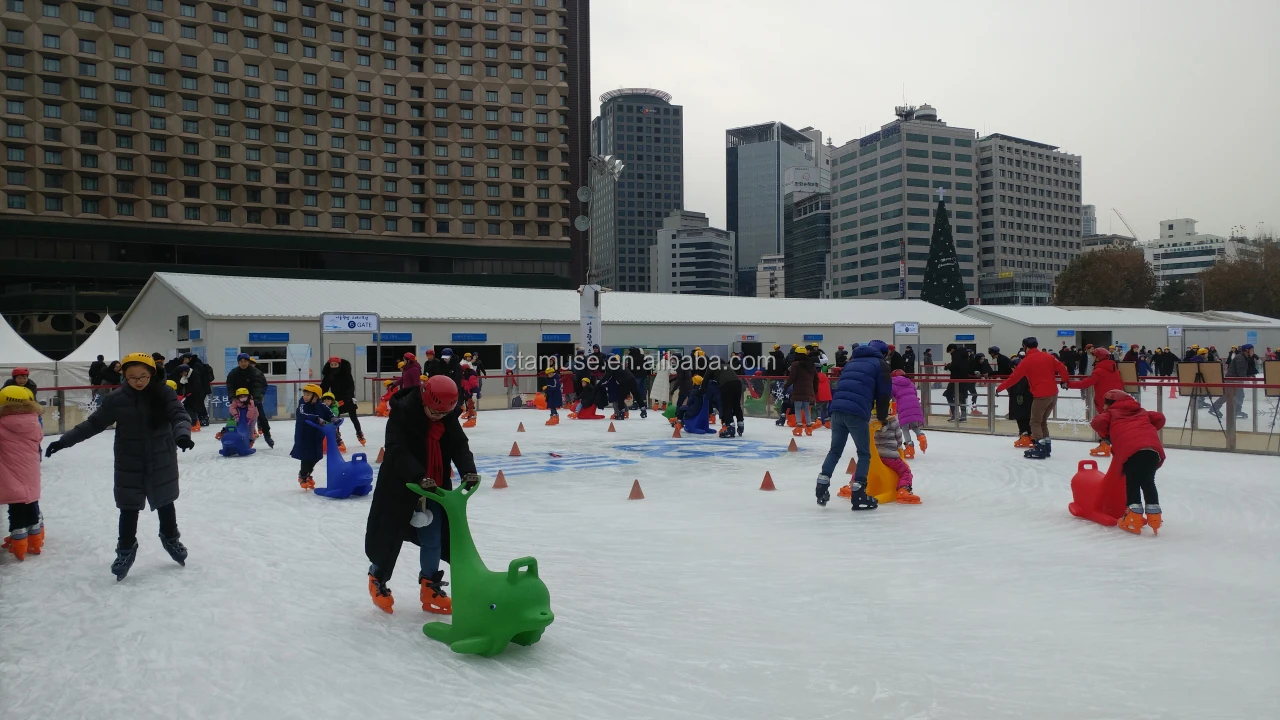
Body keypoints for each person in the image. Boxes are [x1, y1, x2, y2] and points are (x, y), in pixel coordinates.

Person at [44, 352, 193, 581]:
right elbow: (93, 424)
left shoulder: (164, 392)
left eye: (143, 376)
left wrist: (182, 434)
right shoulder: (117, 399)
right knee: (128, 508)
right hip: (129, 460)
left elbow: (178, 414)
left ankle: (170, 538)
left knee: (165, 503)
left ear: (152, 373)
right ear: (124, 376)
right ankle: (125, 550)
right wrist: (64, 441)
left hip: (161, 458)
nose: (138, 381)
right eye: (132, 377)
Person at [364, 375, 479, 615]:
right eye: (435, 412)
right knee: (389, 536)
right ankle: (377, 577)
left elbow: (459, 444)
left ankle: (430, 586)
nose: (439, 417)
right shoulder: (402, 414)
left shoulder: (446, 416)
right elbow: (397, 450)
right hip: (400, 485)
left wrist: (468, 470)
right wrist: (418, 476)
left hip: (434, 488)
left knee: (434, 538)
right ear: (425, 401)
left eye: (444, 414)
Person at [816, 340, 892, 511]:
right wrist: (882, 417)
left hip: (837, 409)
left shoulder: (851, 362)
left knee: (835, 451)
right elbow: (883, 394)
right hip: (857, 413)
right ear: (883, 353)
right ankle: (858, 493)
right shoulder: (881, 365)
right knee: (864, 453)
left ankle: (822, 484)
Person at [1091, 389, 1165, 535]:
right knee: (1148, 482)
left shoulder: (1111, 414)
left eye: (1105, 404)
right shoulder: (1141, 412)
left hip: (1130, 451)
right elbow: (1159, 417)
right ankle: (1155, 517)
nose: (1103, 407)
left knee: (1132, 483)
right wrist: (1146, 428)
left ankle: (1133, 517)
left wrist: (1106, 434)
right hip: (1152, 450)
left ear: (1111, 404)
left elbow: (1097, 422)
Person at [996, 337, 1071, 460]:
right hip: (1053, 394)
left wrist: (1000, 388)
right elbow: (1062, 368)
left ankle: (1039, 447)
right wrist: (1064, 380)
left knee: (1035, 422)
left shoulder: (1026, 361)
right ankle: (1046, 445)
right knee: (1042, 421)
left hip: (1041, 396)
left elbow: (1014, 378)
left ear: (1025, 346)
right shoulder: (1048, 356)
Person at [1, 385, 45, 561]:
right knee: (31, 502)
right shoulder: (34, 421)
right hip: (31, 469)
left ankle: (19, 542)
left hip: (10, 472)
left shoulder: (1, 423)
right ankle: (35, 540)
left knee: (16, 506)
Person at [1069, 347, 1124, 456]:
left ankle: (1106, 444)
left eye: (1094, 356)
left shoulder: (1098, 371)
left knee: (1101, 423)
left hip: (1104, 403)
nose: (1092, 358)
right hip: (1116, 401)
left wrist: (1068, 384)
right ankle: (1110, 445)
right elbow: (1121, 384)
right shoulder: (1115, 370)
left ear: (1098, 358)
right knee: (1111, 423)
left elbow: (1084, 383)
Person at [291, 383, 334, 490]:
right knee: (306, 457)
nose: (305, 397)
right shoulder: (302, 405)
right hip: (304, 436)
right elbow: (301, 415)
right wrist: (316, 418)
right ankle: (303, 475)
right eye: (304, 394)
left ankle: (308, 473)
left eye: (308, 395)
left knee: (316, 456)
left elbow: (329, 412)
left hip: (317, 436)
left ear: (316, 396)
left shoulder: (321, 405)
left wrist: (333, 418)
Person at [226, 353, 273, 447]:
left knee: (261, 417)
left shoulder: (256, 372)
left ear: (248, 362)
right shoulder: (233, 373)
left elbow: (259, 386)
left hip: (253, 399)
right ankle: (233, 436)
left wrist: (257, 398)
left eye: (245, 361)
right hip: (238, 399)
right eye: (241, 361)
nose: (243, 363)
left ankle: (267, 435)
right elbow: (230, 386)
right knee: (234, 417)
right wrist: (232, 398)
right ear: (238, 362)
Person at [874, 412, 919, 504]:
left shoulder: (870, 421)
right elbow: (899, 438)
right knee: (905, 472)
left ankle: (853, 485)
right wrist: (899, 449)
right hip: (890, 456)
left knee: (862, 467)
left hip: (874, 456)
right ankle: (903, 490)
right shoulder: (893, 421)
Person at [320, 356, 365, 446]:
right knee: (335, 418)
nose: (333, 366)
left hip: (348, 399)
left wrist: (346, 399)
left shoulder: (346, 374)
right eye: (332, 365)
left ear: (339, 365)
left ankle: (359, 433)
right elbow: (324, 387)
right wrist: (322, 397)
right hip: (335, 399)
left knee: (353, 417)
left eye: (335, 364)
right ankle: (337, 438)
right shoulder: (329, 375)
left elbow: (351, 387)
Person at [1209, 344, 1255, 420]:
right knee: (1229, 395)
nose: (1253, 352)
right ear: (1246, 350)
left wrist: (1249, 375)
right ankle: (1215, 408)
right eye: (1252, 350)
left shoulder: (1244, 357)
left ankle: (1234, 410)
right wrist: (1246, 379)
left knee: (1238, 395)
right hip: (1232, 380)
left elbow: (1244, 370)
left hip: (1235, 380)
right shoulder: (1240, 358)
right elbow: (1241, 371)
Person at [783, 346, 819, 437]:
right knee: (806, 408)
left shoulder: (795, 364)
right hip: (808, 390)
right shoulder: (811, 365)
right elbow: (816, 379)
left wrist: (786, 386)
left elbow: (792, 378)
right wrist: (815, 390)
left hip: (798, 390)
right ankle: (809, 428)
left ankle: (799, 427)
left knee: (798, 408)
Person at [890, 369, 926, 458]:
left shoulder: (893, 383)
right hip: (915, 404)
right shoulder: (910, 382)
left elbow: (890, 394)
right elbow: (915, 392)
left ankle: (910, 448)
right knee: (914, 426)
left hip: (903, 406)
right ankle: (921, 436)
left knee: (905, 428)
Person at [709, 365, 744, 438]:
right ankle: (740, 424)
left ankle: (730, 427)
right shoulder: (727, 366)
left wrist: (700, 390)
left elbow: (706, 379)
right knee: (736, 405)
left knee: (727, 405)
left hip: (727, 384)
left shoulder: (712, 367)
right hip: (738, 383)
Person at [943, 344, 971, 422]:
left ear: (952, 349)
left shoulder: (956, 356)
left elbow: (955, 367)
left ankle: (955, 414)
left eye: (949, 352)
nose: (950, 354)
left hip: (955, 379)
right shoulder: (964, 355)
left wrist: (948, 366)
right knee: (962, 397)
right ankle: (963, 416)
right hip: (964, 379)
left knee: (948, 394)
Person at [458, 360, 480, 427]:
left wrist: (474, 394)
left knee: (471, 407)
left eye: (463, 371)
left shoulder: (471, 376)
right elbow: (464, 385)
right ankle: (470, 418)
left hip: (471, 394)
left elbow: (475, 386)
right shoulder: (465, 376)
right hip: (468, 394)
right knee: (469, 407)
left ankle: (472, 420)